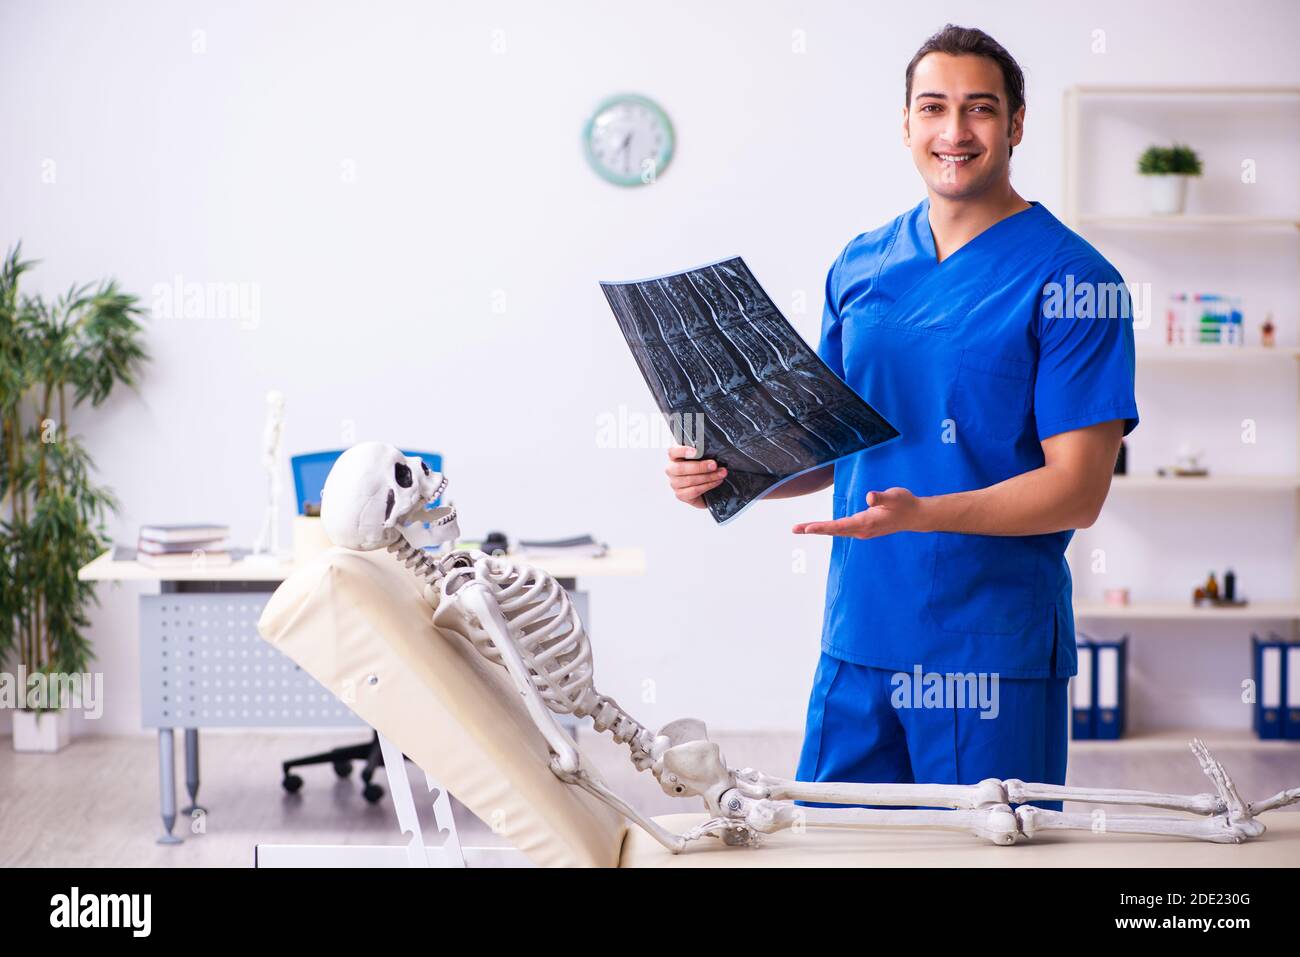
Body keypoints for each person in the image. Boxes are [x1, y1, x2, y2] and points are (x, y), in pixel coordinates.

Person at [663, 24, 1139, 812]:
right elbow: (827, 445)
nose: (955, 132)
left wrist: (924, 514)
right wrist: (727, 470)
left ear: (1016, 124)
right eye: (933, 108)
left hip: (989, 651)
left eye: (980, 110)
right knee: (838, 850)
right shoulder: (861, 264)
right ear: (907, 124)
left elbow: (1077, 492)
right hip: (860, 638)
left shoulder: (1076, 281)